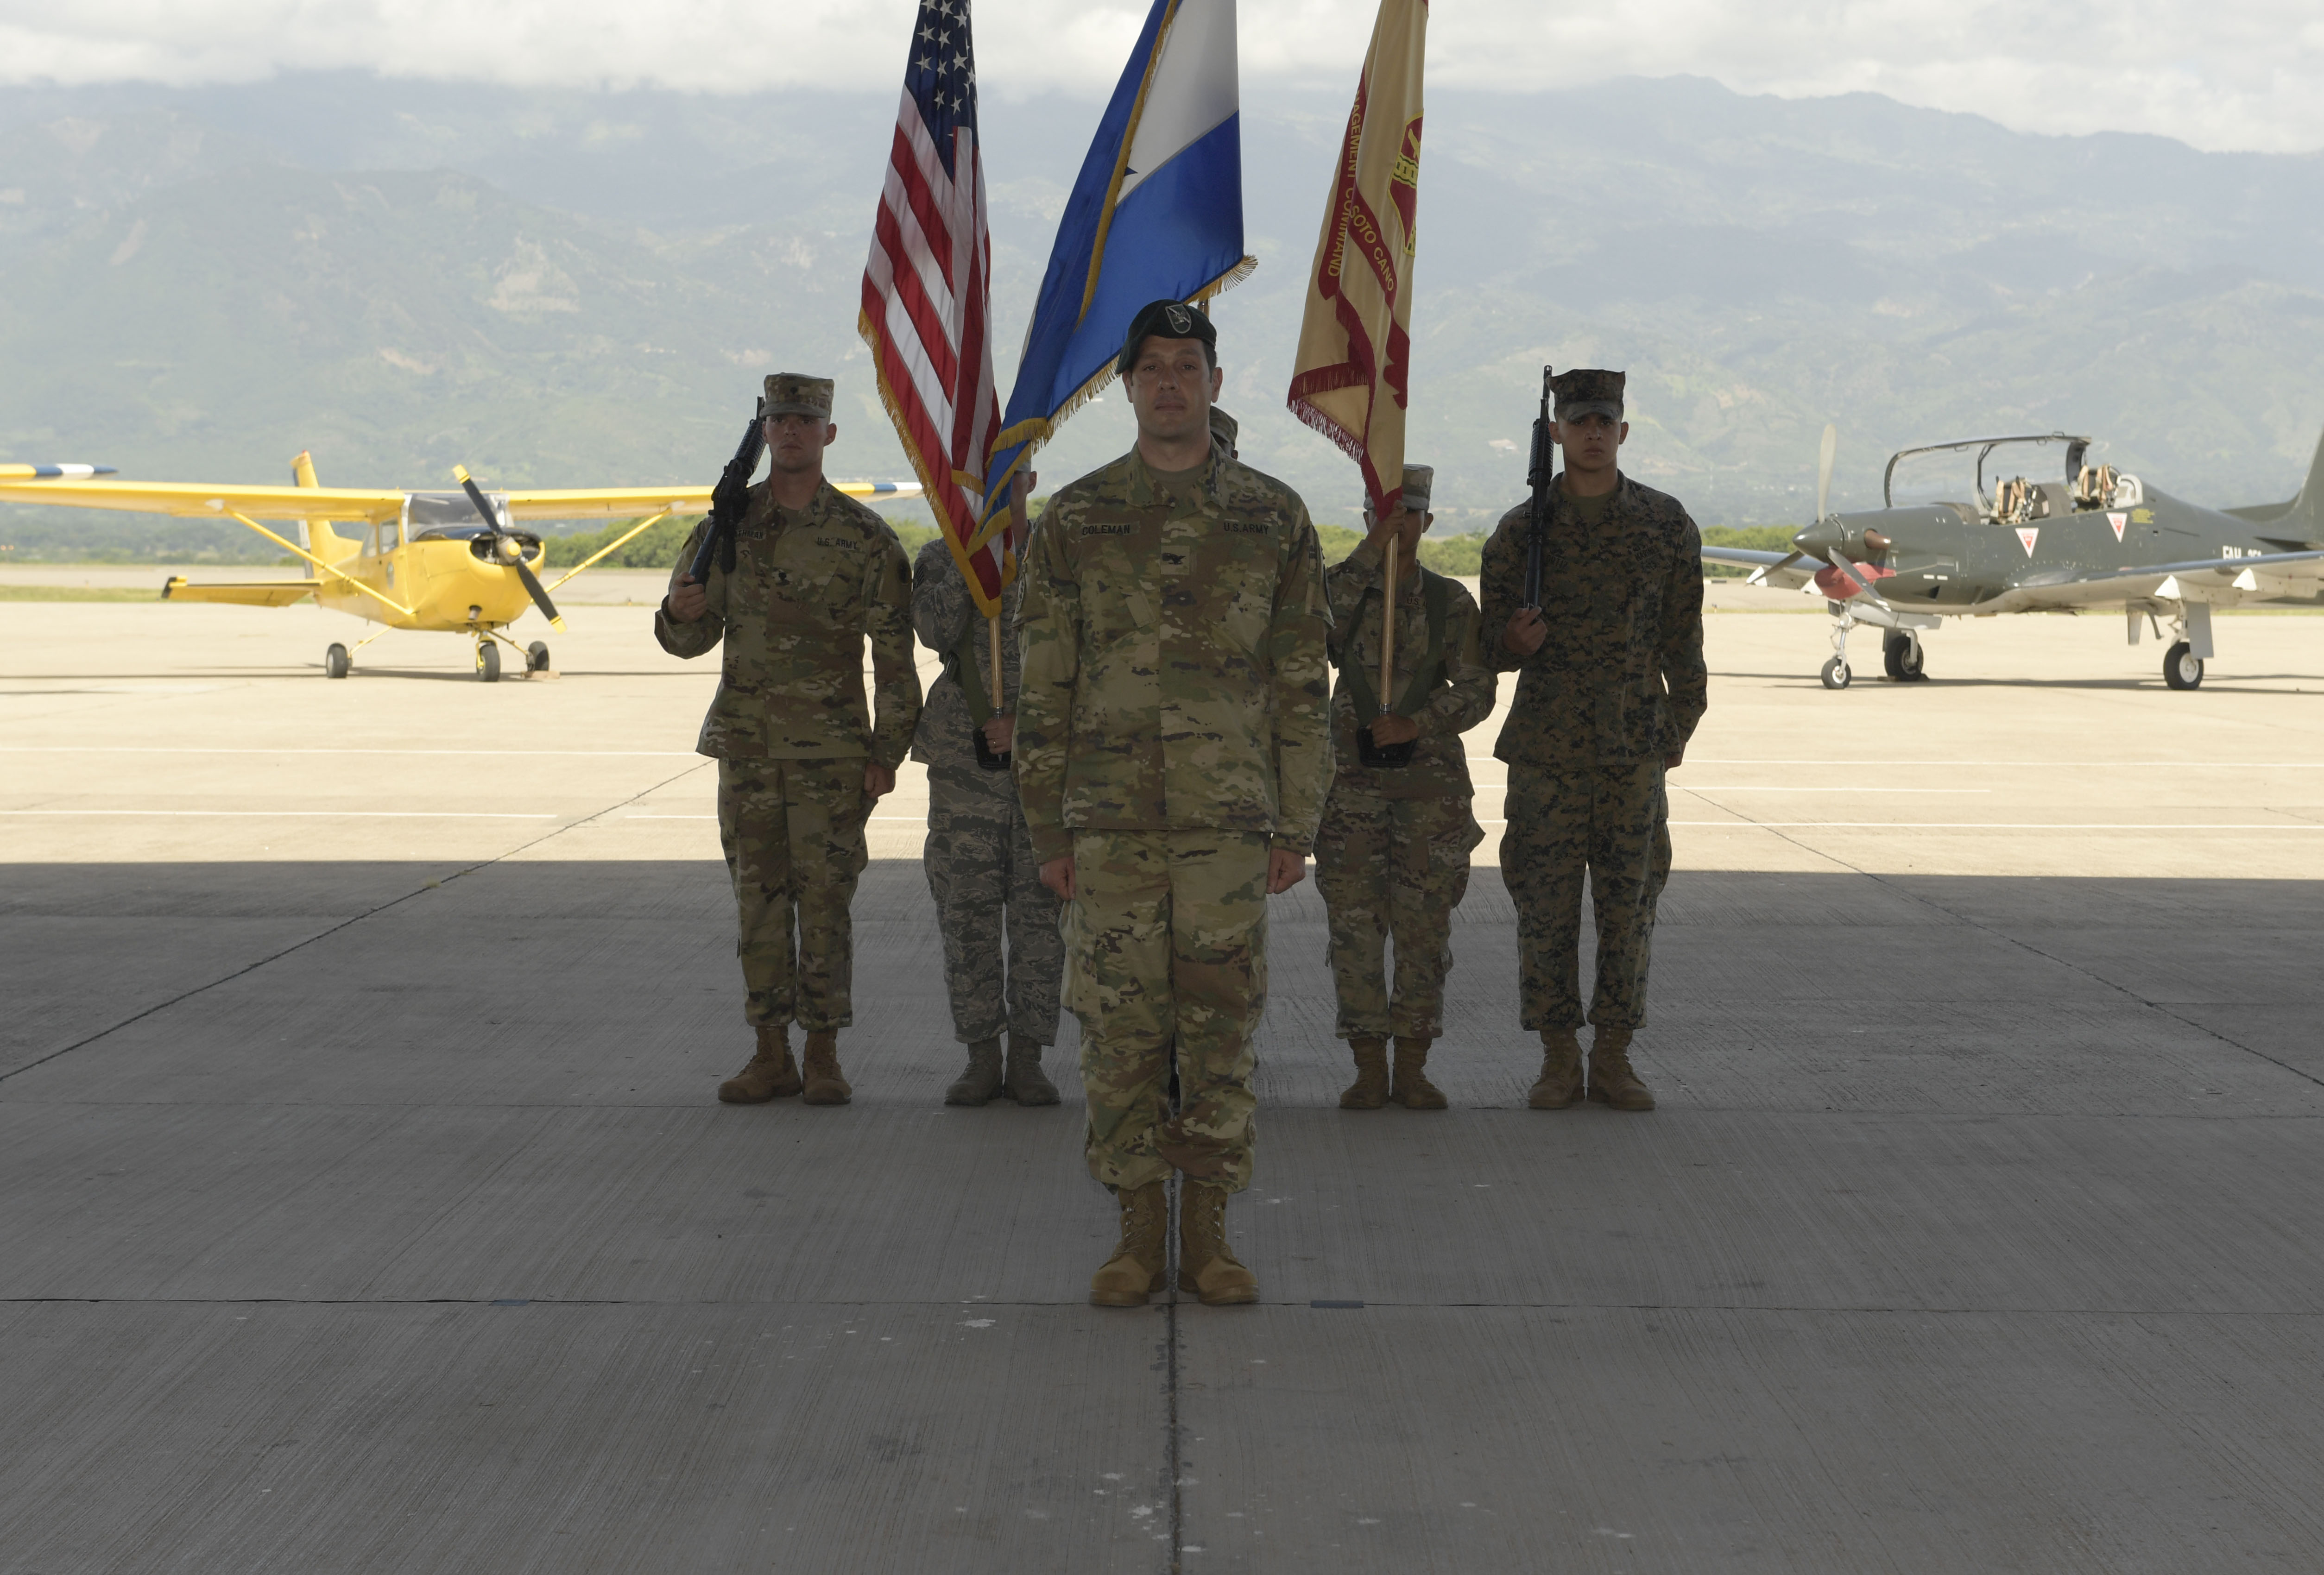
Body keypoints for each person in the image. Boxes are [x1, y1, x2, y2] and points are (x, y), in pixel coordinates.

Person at [1015, 299, 1333, 1308]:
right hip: (1107, 829)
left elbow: (1300, 681)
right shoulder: (1075, 518)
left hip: (1227, 826)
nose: (1167, 382)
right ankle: (1135, 1236)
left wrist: (1300, 821)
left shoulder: (1273, 517)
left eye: (1185, 365)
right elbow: (1045, 684)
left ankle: (1211, 1237)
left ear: (1214, 384)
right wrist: (1045, 824)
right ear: (1126, 387)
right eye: (1149, 366)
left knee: (1218, 1031)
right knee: (1120, 1034)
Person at [657, 373, 922, 1108]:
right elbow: (687, 639)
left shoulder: (865, 539)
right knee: (759, 904)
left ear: (829, 433)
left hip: (832, 758)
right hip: (747, 751)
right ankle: (769, 1051)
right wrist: (680, 610)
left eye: (806, 419)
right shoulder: (726, 527)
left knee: (828, 902)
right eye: (780, 419)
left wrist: (885, 753)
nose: (792, 430)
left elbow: (895, 659)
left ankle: (825, 1053)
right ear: (765, 431)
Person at [1479, 368, 1705, 1112]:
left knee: (1628, 908)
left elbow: (1684, 641)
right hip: (1547, 754)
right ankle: (1556, 1056)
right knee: (1544, 908)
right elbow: (1488, 649)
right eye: (1579, 421)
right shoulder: (1519, 534)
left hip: (1632, 750)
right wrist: (1510, 640)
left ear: (1624, 431)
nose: (1593, 432)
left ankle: (1613, 1054)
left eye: (1605, 420)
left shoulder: (1665, 525)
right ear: (1556, 432)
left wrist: (1677, 728)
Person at [1314, 465, 1497, 1110]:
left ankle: (1413, 1066)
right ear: (1367, 519)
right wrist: (1369, 556)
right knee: (1355, 935)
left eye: (1413, 515)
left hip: (1430, 797)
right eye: (1387, 515)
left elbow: (1479, 689)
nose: (1401, 526)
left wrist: (1418, 721)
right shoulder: (1345, 596)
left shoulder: (1451, 604)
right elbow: (1308, 627)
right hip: (1351, 796)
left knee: (1423, 936)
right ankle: (1368, 1065)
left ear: (1429, 521)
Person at [909, 501, 1064, 1108]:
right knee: (965, 914)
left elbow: (1089, 656)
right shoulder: (941, 557)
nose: (1004, 491)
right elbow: (933, 631)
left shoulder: (1060, 556)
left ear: (1029, 480)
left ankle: (1028, 1057)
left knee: (1040, 919)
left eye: (1015, 475)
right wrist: (973, 559)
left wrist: (1030, 728)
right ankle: (980, 1054)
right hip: (963, 767)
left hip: (1045, 767)